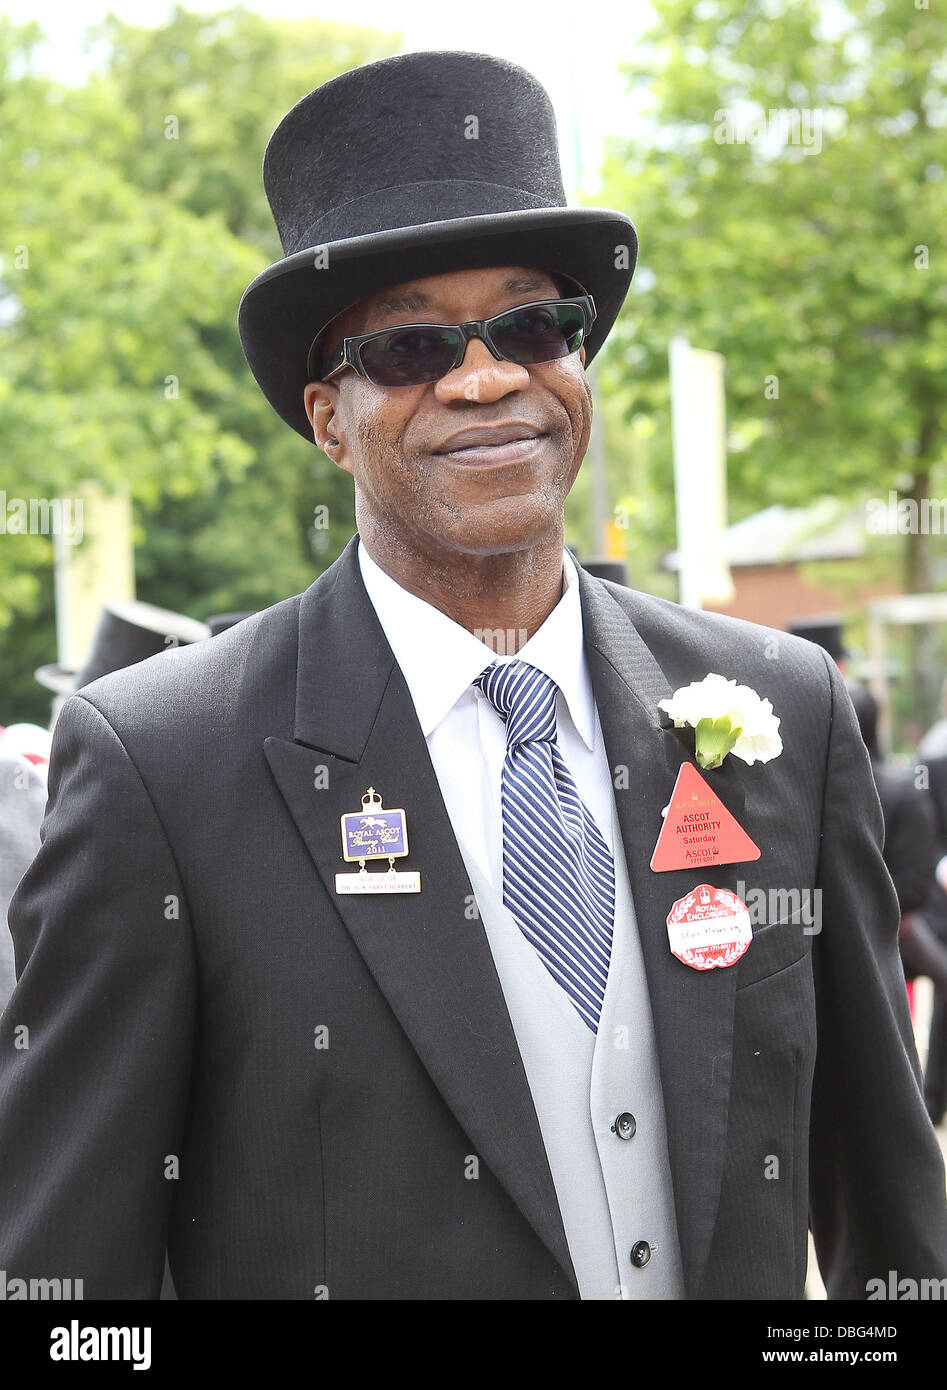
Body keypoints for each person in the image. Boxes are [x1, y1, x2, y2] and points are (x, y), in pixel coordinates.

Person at [1, 50, 945, 1302]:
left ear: (577, 361)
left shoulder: (778, 705)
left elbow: (885, 1207)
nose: (485, 375)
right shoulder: (161, 762)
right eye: (407, 347)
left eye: (529, 324)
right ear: (327, 417)